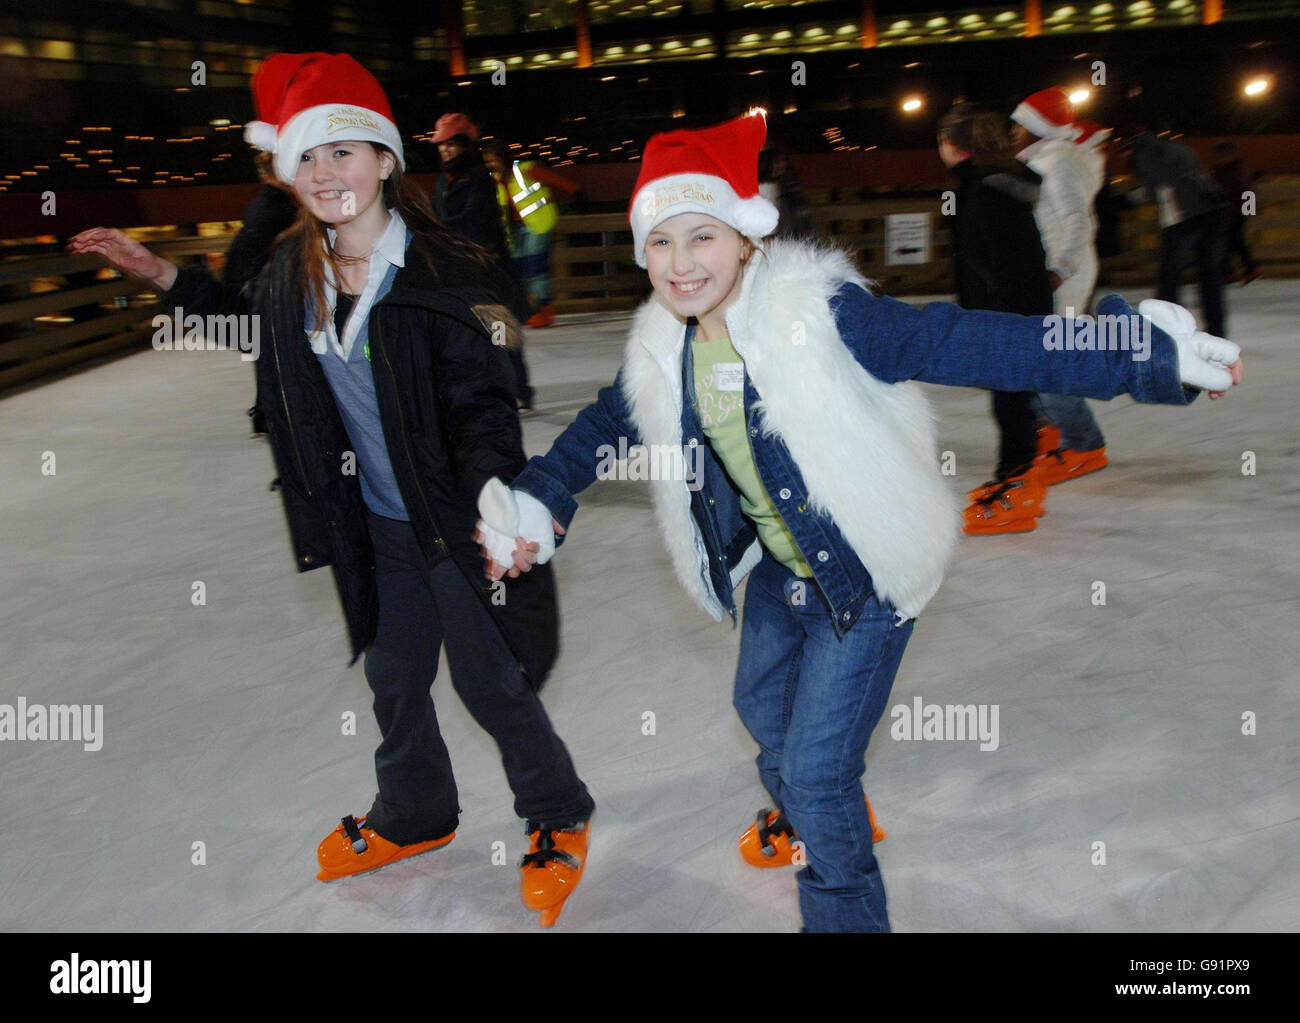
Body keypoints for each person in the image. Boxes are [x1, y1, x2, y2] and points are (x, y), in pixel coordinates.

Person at [472, 111, 1243, 933]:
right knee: (764, 712)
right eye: (660, 242)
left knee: (812, 769)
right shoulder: (664, 347)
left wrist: (1131, 355)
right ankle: (815, 810)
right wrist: (539, 497)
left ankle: (843, 908)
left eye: (702, 236)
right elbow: (602, 428)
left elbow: (966, 340)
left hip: (865, 568)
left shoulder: (821, 314)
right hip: (779, 568)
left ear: (745, 238)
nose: (682, 262)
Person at [69, 52, 594, 929]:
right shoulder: (292, 270)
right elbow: (249, 326)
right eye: (307, 158)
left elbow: (483, 404)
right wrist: (160, 274)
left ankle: (557, 810)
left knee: (489, 680)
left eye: (344, 153)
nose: (326, 174)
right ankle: (416, 810)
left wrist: (499, 502)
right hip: (375, 522)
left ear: (387, 161)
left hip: (453, 517)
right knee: (393, 675)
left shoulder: (443, 269)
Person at [938, 102, 1055, 534]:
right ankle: (1014, 477)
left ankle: (1019, 489)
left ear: (954, 144)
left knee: (1012, 399)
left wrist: (989, 321)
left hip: (1007, 313)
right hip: (1015, 309)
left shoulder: (983, 190)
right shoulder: (990, 183)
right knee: (1011, 400)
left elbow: (993, 263)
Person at [1010, 87, 1111, 485]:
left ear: (1038, 129)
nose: (1012, 132)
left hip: (1065, 275)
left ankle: (1085, 445)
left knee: (1049, 363)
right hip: (1052, 271)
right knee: (1035, 357)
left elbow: (1078, 221)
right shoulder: (1043, 161)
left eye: (1019, 126)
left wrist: (1060, 269)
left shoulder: (1059, 164)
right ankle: (1050, 430)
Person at [433, 113, 535, 409]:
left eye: (451, 144)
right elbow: (436, 215)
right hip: (455, 266)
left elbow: (472, 222)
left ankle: (519, 388)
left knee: (500, 329)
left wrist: (441, 234)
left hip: (485, 267)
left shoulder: (479, 178)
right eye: (442, 145)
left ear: (465, 146)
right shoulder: (443, 181)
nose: (446, 150)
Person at [1121, 124, 1229, 338]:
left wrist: (1124, 200)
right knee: (1210, 278)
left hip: (1185, 218)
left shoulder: (1143, 153)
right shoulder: (1176, 147)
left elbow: (1155, 189)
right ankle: (1217, 332)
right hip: (1213, 212)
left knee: (1169, 277)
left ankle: (1165, 331)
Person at [224, 150, 298, 438]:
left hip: (252, 288)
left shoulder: (265, 203)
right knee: (273, 355)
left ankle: (264, 412)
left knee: (266, 356)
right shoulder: (279, 207)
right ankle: (267, 413)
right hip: (260, 291)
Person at [482, 139, 580, 329]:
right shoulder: (494, 180)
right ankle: (528, 310)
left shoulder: (524, 170)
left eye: (493, 160)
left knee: (535, 268)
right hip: (514, 231)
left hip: (538, 224)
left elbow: (555, 180)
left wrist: (575, 192)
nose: (491, 164)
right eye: (487, 161)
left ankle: (545, 311)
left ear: (503, 158)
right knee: (519, 270)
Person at [1212, 141, 1261, 286]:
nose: (1220, 158)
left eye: (1223, 156)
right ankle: (1231, 272)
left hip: (1235, 213)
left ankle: (1249, 269)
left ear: (1231, 156)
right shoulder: (1222, 170)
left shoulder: (1236, 170)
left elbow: (1248, 190)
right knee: (1228, 243)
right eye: (1219, 156)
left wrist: (1247, 212)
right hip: (1226, 212)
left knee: (1234, 242)